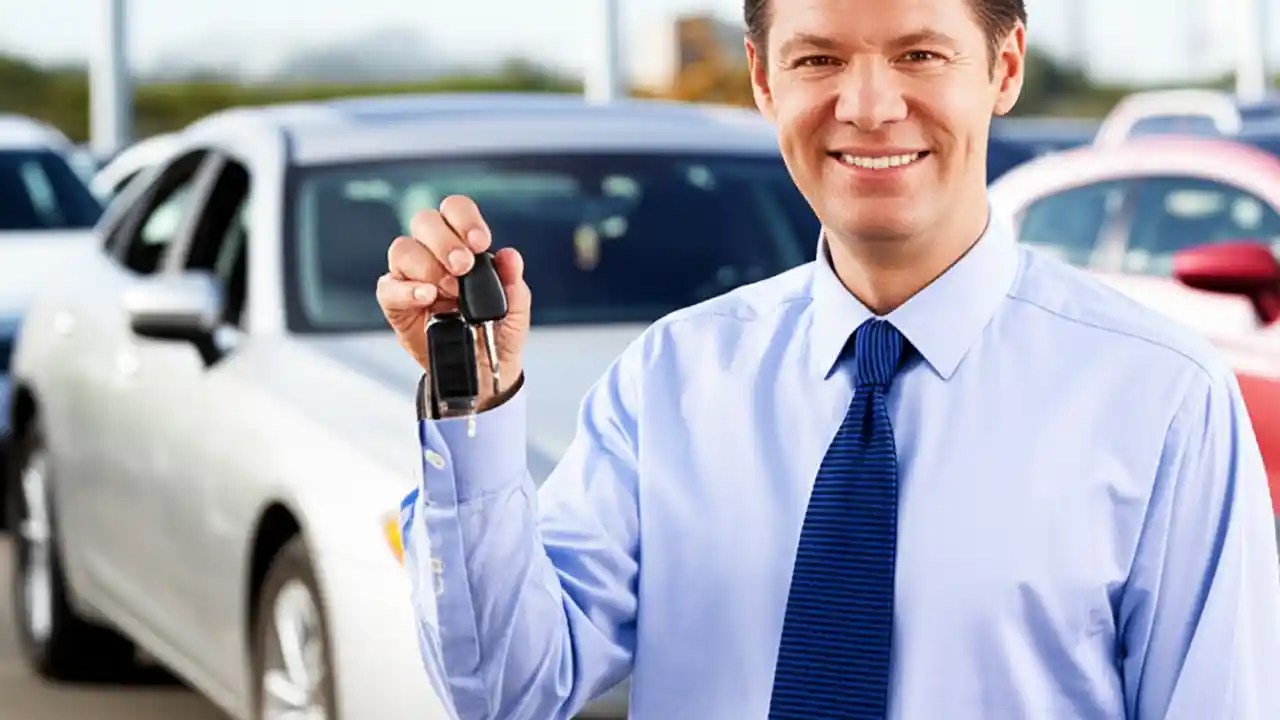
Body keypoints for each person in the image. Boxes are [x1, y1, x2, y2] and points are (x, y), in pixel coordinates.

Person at [377, 0, 1280, 716]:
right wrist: (475, 414)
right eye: (818, 58)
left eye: (920, 54)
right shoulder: (671, 383)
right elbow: (506, 689)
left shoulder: (1159, 396)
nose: (870, 106)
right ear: (764, 81)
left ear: (1003, 68)